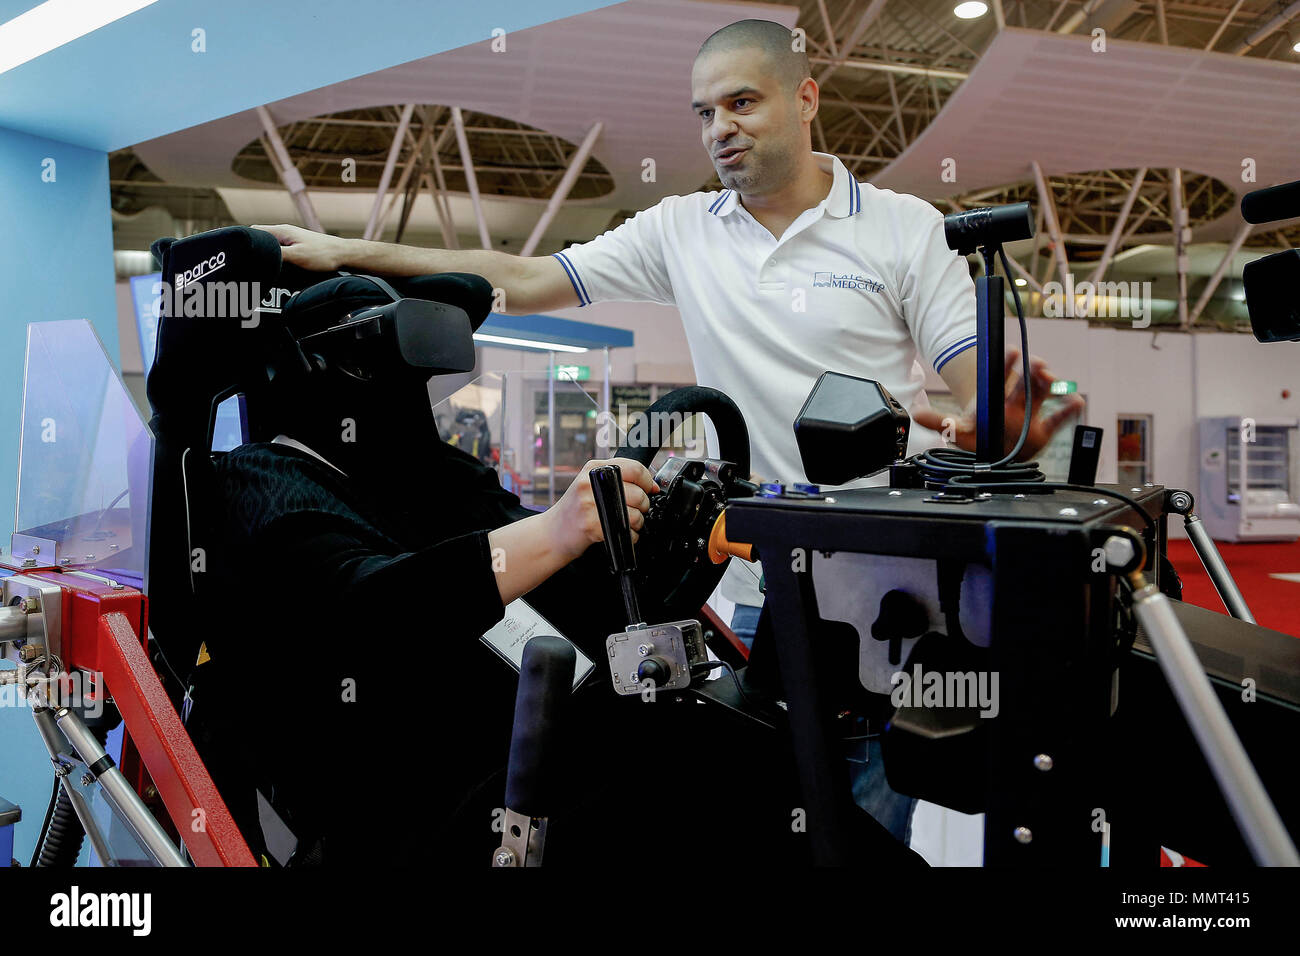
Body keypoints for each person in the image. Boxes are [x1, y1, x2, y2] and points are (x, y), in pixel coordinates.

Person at [253, 18, 1083, 847]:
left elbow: (984, 395)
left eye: (742, 103)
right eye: (703, 112)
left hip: (876, 596)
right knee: (758, 808)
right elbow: (522, 275)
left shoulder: (903, 228)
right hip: (749, 590)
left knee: (862, 828)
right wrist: (344, 250)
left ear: (805, 99)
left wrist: (995, 428)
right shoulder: (681, 227)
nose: (718, 129)